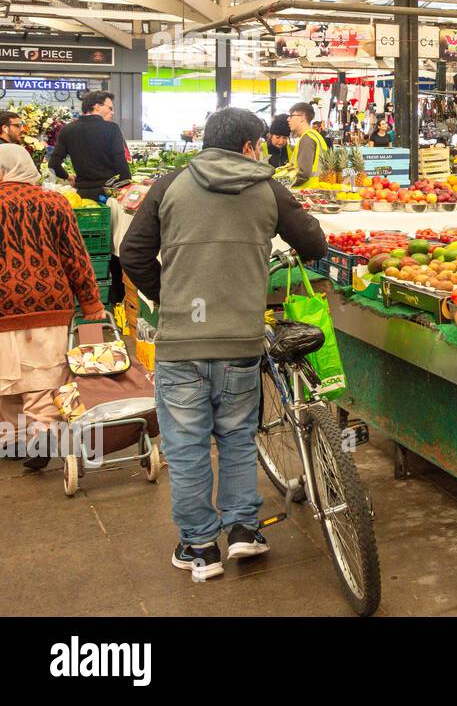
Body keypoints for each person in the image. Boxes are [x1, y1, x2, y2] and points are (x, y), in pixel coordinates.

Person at [120, 108, 326, 580]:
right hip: (240, 342)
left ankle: (198, 548)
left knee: (187, 445)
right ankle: (244, 532)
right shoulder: (268, 188)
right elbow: (313, 243)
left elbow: (132, 253)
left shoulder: (169, 185)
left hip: (181, 342)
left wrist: (168, 296)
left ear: (207, 142)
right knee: (236, 437)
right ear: (252, 146)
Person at [0, 144, 106, 471]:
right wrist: (91, 303)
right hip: (50, 302)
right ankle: (44, 431)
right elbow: (76, 257)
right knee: (43, 374)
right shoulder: (54, 202)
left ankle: (11, 439)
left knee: (6, 375)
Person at [49, 89, 131, 201]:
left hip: (81, 195)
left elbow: (53, 164)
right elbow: (122, 166)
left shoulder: (67, 130)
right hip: (108, 195)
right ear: (97, 107)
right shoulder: (112, 128)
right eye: (110, 108)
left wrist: (68, 177)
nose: (112, 112)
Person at [286, 102, 328, 187]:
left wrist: (280, 182)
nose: (288, 119)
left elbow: (303, 174)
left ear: (302, 117)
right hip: (315, 189)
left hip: (306, 191)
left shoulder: (307, 139)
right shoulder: (315, 135)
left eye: (291, 115)